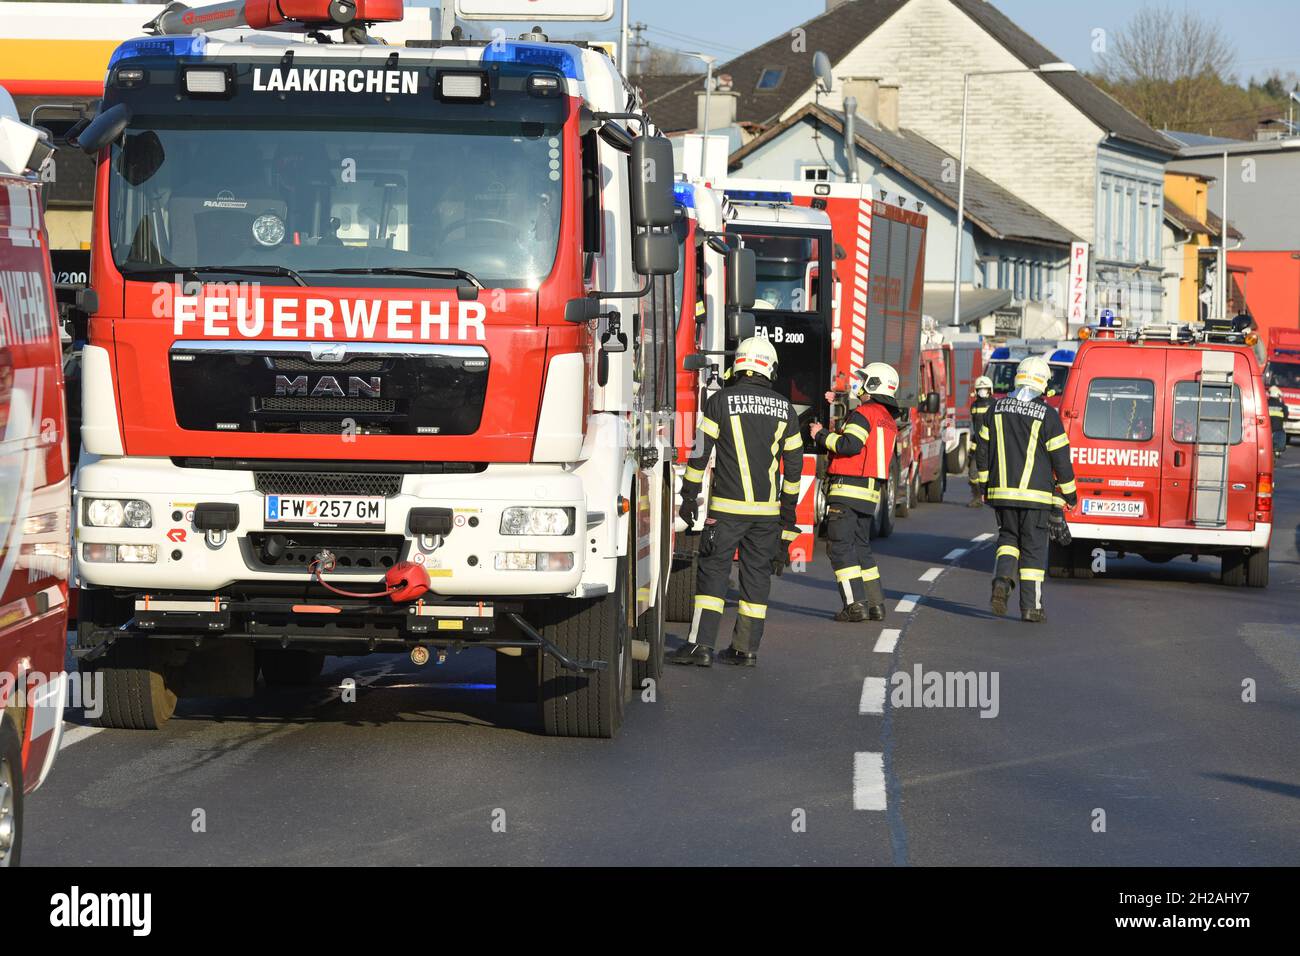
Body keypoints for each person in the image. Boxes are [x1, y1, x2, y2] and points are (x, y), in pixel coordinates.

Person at [671, 336, 804, 667]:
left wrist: (689, 496)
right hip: (767, 515)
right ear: (769, 368)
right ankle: (745, 649)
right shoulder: (786, 409)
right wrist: (787, 519)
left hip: (727, 512)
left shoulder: (720, 402)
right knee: (756, 577)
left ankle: (701, 646)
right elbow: (794, 471)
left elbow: (700, 454)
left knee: (713, 574)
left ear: (740, 364)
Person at [974, 355, 1077, 623]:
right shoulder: (1048, 415)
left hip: (1001, 493)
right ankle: (1031, 607)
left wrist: (985, 484)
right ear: (1043, 383)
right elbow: (1061, 459)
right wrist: (1069, 494)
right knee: (1032, 549)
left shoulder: (994, 410)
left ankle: (1002, 580)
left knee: (1008, 539)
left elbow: (982, 450)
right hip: (1037, 497)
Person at [809, 362, 900, 623]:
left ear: (873, 385)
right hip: (870, 493)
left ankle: (854, 605)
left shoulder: (864, 413)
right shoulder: (887, 419)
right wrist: (836, 398)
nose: (858, 385)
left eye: (863, 381)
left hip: (848, 488)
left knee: (839, 547)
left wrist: (821, 435)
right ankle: (875, 604)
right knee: (861, 548)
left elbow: (850, 445)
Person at [967, 375, 994, 507]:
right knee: (973, 473)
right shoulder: (974, 406)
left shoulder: (994, 405)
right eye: (980, 389)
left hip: (991, 445)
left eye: (985, 389)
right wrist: (971, 449)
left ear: (990, 390)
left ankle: (992, 497)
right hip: (978, 444)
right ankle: (977, 497)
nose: (982, 391)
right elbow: (975, 428)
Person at [1268, 385, 1288, 457]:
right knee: (1282, 434)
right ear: (1277, 395)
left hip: (1266, 430)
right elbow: (1285, 417)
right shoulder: (1282, 406)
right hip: (1277, 430)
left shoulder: (1265, 403)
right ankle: (1277, 451)